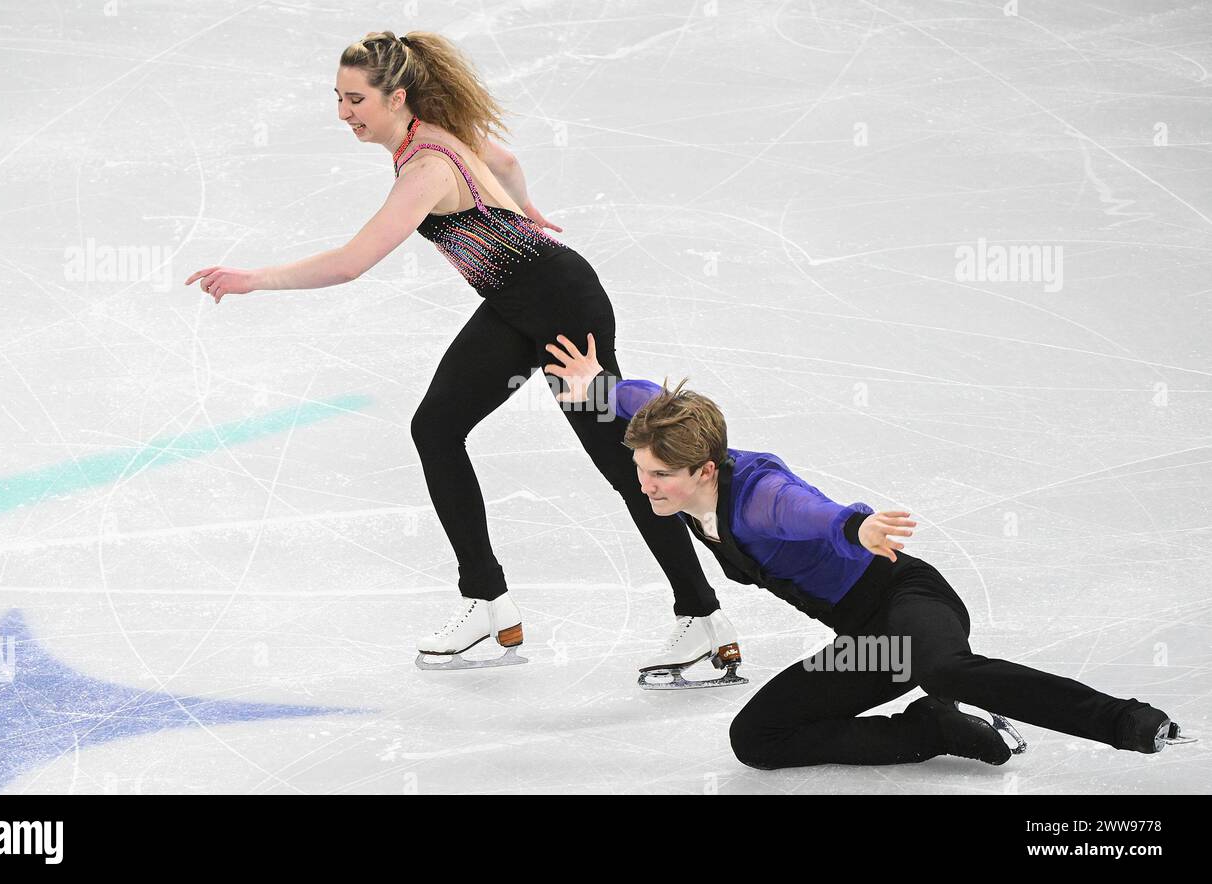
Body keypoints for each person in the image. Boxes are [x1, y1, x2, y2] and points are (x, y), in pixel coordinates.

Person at [184, 30, 740, 685]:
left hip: (563, 318)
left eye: (356, 99)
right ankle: (486, 599)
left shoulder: (424, 168)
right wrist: (526, 210)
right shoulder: (435, 133)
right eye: (337, 97)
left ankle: (706, 615)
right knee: (437, 427)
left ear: (396, 96)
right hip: (518, 308)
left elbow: (351, 263)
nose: (343, 113)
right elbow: (502, 160)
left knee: (626, 467)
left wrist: (252, 279)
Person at [542, 331, 1193, 766]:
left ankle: (1129, 723)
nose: (644, 484)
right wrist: (598, 384)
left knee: (943, 668)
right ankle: (935, 730)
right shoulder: (678, 446)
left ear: (706, 470)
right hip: (868, 644)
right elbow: (645, 405)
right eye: (643, 470)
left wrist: (857, 528)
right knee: (757, 739)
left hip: (911, 601)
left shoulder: (759, 495)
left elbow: (814, 512)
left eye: (659, 476)